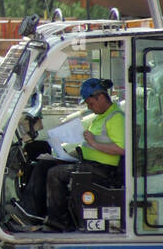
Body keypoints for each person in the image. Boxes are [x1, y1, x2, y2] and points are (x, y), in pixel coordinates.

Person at [45, 77, 125, 230]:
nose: (90, 107)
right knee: (49, 165)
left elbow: (122, 149)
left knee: (55, 174)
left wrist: (94, 143)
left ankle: (60, 222)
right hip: (91, 164)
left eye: (91, 104)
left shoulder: (115, 118)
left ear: (100, 97)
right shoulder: (100, 117)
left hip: (103, 170)